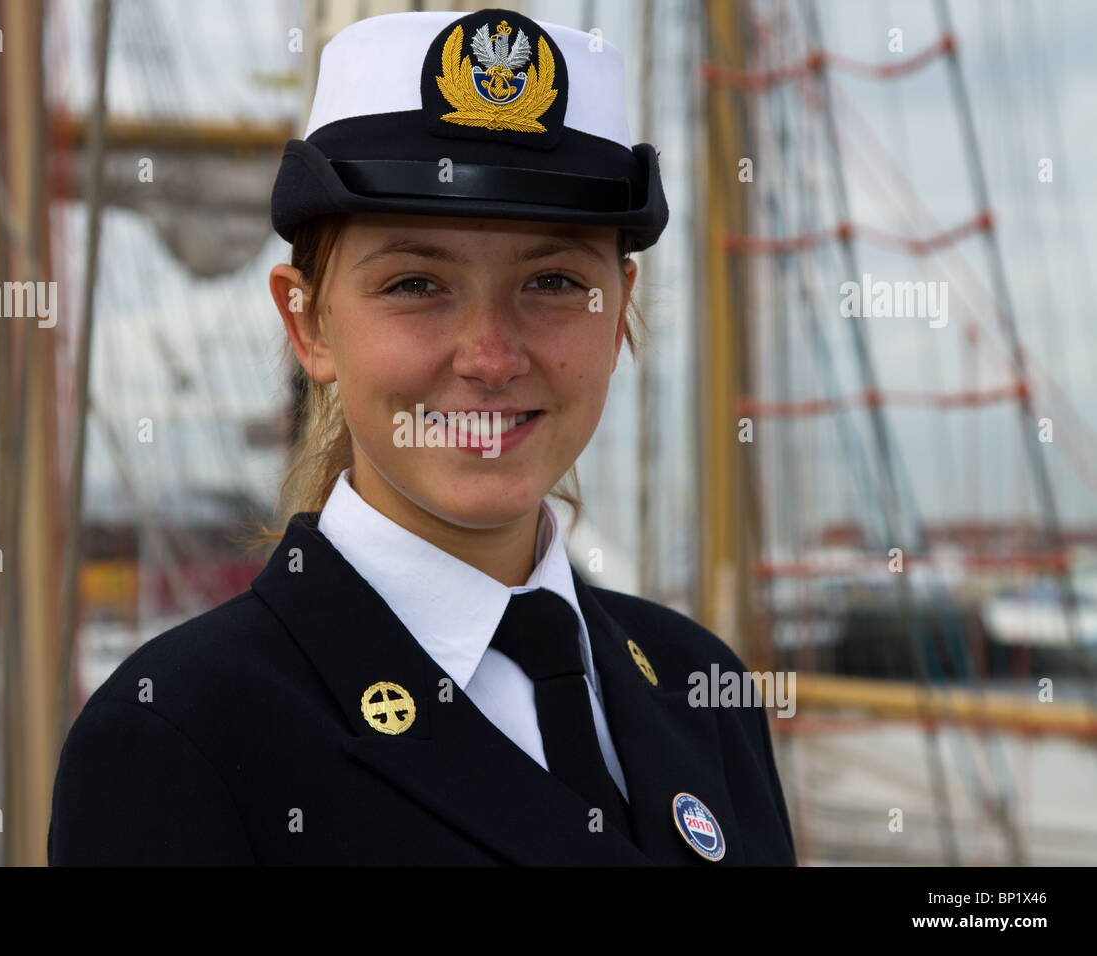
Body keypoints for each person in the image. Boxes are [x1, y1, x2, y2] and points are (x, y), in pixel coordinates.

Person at [48, 6, 796, 866]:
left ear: (620, 308)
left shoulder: (704, 689)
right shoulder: (177, 739)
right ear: (309, 325)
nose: (489, 356)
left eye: (552, 280)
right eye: (416, 284)